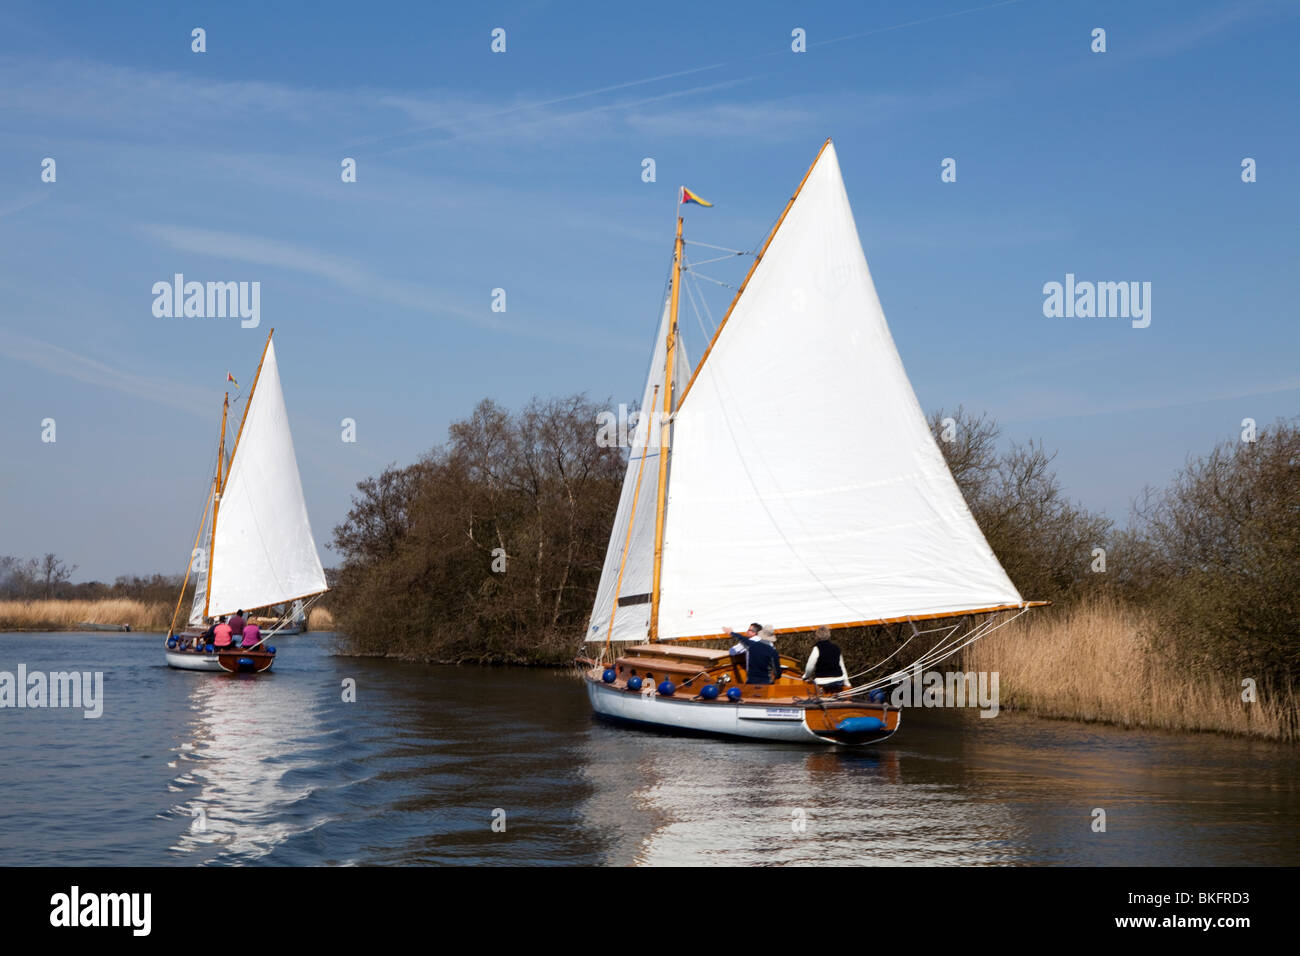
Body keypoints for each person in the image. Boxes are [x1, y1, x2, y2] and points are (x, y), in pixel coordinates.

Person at [803, 626, 851, 694]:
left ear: (817, 636)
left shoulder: (817, 648)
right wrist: (847, 683)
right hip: (838, 680)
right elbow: (842, 667)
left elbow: (810, 667)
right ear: (829, 636)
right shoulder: (836, 648)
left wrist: (806, 676)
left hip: (822, 682)